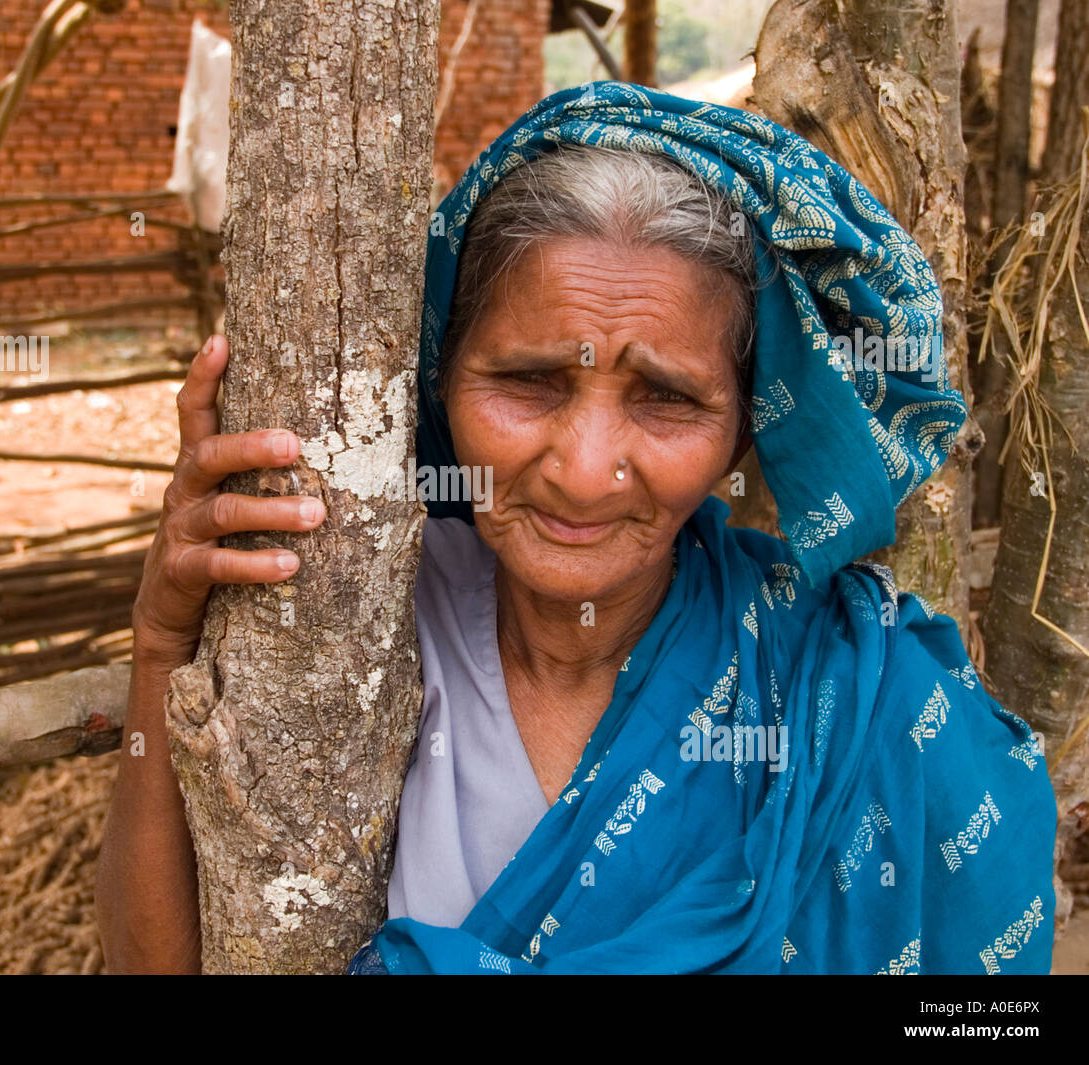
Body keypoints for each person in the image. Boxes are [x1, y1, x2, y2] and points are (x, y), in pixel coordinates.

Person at [96, 82, 1057, 975]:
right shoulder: (345, 620)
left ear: (739, 432)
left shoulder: (846, 691)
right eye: (529, 381)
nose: (586, 468)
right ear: (441, 378)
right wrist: (158, 645)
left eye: (668, 398)